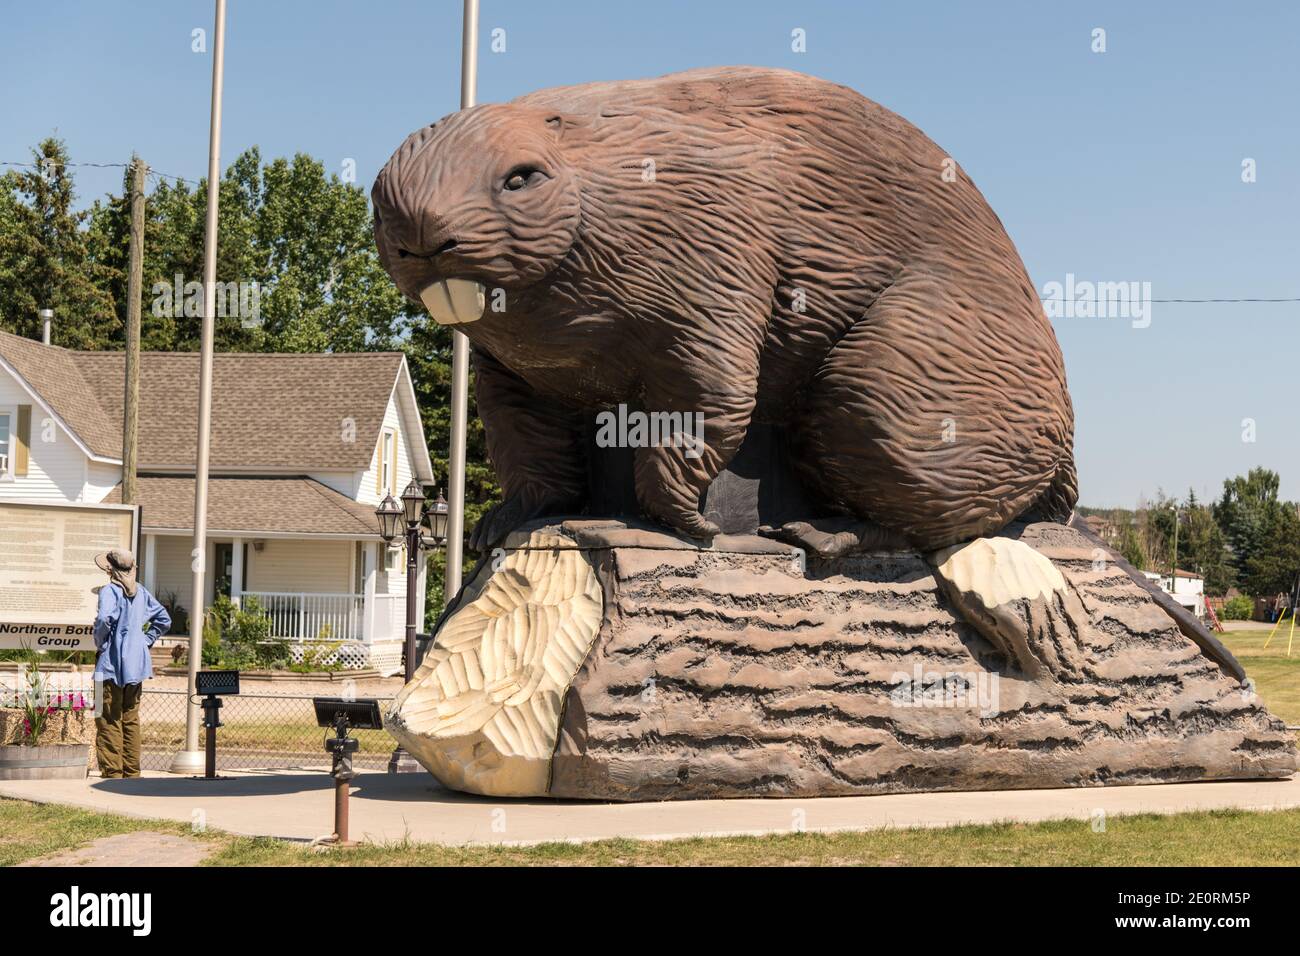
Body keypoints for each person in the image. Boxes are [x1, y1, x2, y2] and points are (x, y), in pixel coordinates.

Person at [92, 549, 171, 778]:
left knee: (106, 717)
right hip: (137, 666)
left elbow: (104, 619)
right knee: (130, 718)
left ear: (110, 570)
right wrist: (144, 640)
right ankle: (132, 772)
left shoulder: (109, 591)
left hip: (108, 665)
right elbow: (164, 619)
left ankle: (112, 773)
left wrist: (101, 642)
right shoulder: (142, 593)